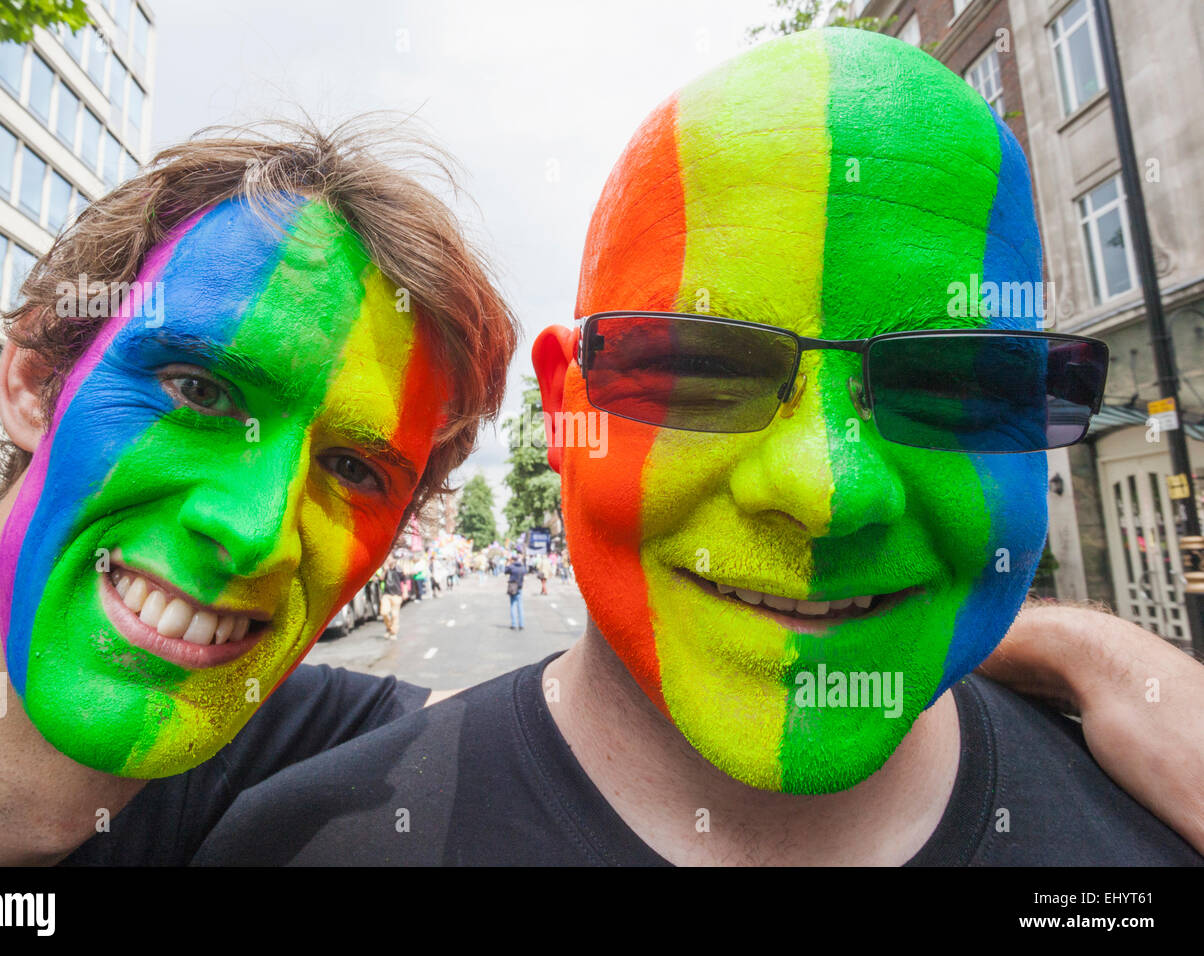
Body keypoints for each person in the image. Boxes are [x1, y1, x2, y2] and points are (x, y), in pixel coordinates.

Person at [193, 31, 1204, 866]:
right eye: (693, 370)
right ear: (564, 414)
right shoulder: (294, 846)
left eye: (955, 382)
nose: (825, 489)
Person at [0, 120, 519, 864]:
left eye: (354, 470)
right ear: (35, 385)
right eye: (198, 390)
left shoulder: (317, 745)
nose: (258, 533)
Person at [379, 558, 405, 640]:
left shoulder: (399, 569)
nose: (388, 561)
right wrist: (385, 571)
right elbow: (381, 579)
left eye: (390, 560)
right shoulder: (385, 570)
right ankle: (389, 628)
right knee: (384, 612)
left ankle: (393, 633)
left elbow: (404, 580)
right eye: (387, 560)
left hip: (397, 595)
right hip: (386, 594)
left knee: (395, 615)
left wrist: (405, 592)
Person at [504, 553, 526, 630]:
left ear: (512, 560)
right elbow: (525, 573)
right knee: (520, 606)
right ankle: (521, 624)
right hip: (520, 587)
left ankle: (514, 624)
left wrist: (508, 563)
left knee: (513, 605)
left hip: (513, 587)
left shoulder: (511, 567)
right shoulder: (522, 567)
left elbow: (505, 571)